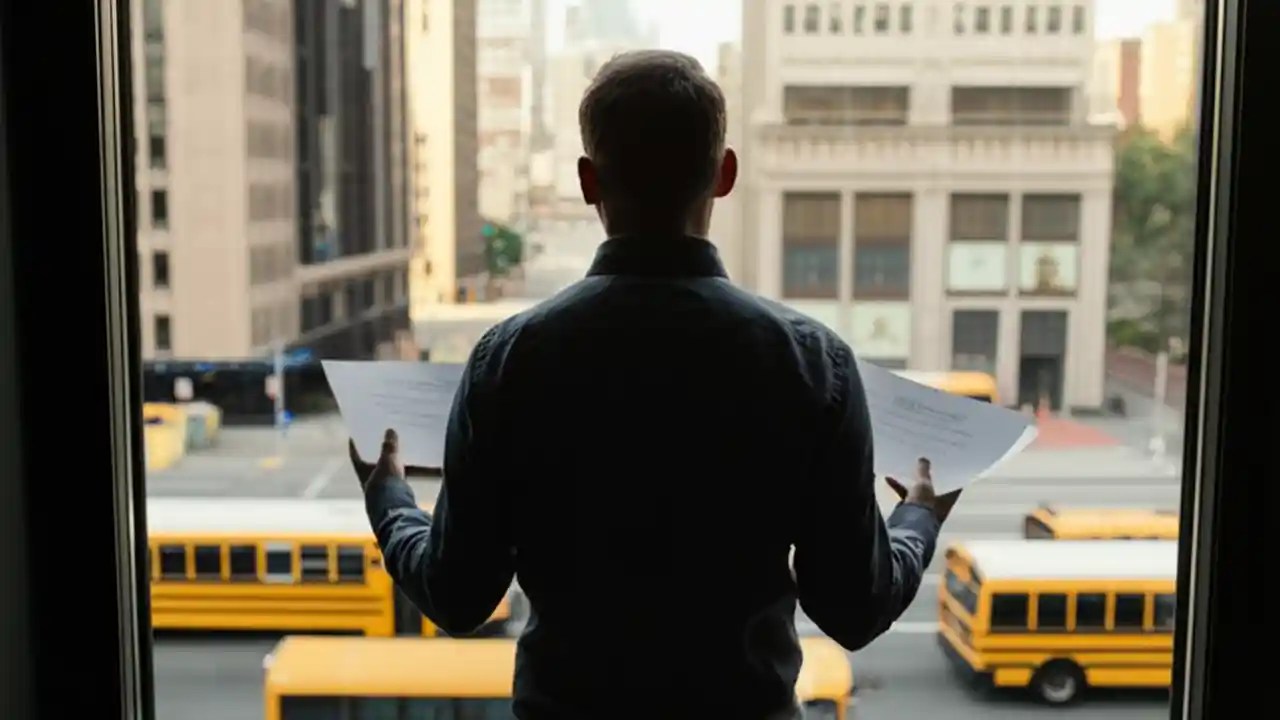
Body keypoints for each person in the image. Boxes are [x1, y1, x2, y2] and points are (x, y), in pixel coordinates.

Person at [349, 49, 959, 719]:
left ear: (589, 181)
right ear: (724, 174)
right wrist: (918, 517)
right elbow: (854, 607)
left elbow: (458, 593)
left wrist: (389, 497)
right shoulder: (812, 364)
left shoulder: (511, 360)